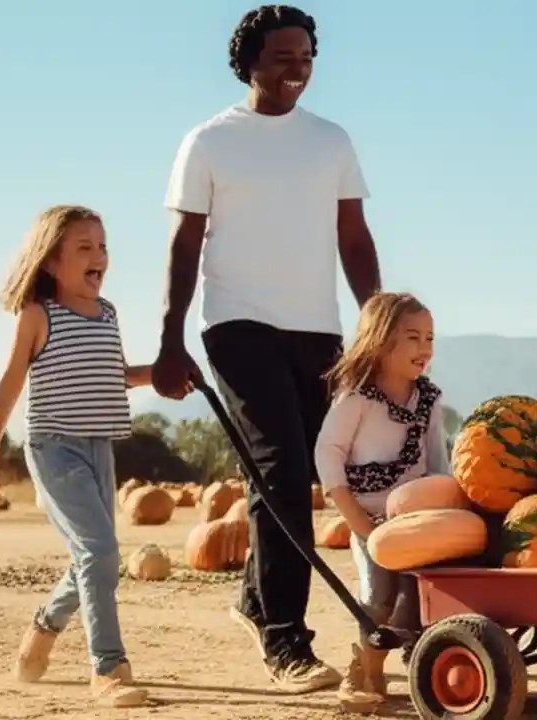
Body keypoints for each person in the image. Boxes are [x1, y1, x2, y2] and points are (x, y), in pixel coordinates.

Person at [151, 4, 381, 693]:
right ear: (248, 63)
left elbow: (354, 239)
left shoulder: (331, 141)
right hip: (237, 326)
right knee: (279, 467)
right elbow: (184, 246)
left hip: (320, 330)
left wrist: (375, 323)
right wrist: (169, 339)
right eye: (283, 56)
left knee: (303, 473)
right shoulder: (209, 142)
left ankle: (255, 602)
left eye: (306, 55)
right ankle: (287, 641)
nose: (297, 68)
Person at [0, 205, 156, 708]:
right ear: (51, 262)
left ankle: (43, 628)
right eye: (84, 247)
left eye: (103, 246)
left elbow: (115, 374)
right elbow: (11, 380)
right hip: (54, 447)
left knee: (97, 557)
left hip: (99, 445)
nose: (99, 256)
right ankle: (109, 667)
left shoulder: (109, 313)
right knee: (99, 554)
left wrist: (161, 374)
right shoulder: (37, 314)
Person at [313, 291, 448, 710]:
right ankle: (364, 670)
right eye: (413, 337)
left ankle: (416, 662)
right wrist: (353, 517)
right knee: (378, 596)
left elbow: (438, 461)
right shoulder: (357, 398)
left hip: (413, 519)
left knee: (417, 595)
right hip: (367, 517)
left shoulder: (428, 400)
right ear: (380, 340)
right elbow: (327, 452)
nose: (424, 347)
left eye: (429, 337)